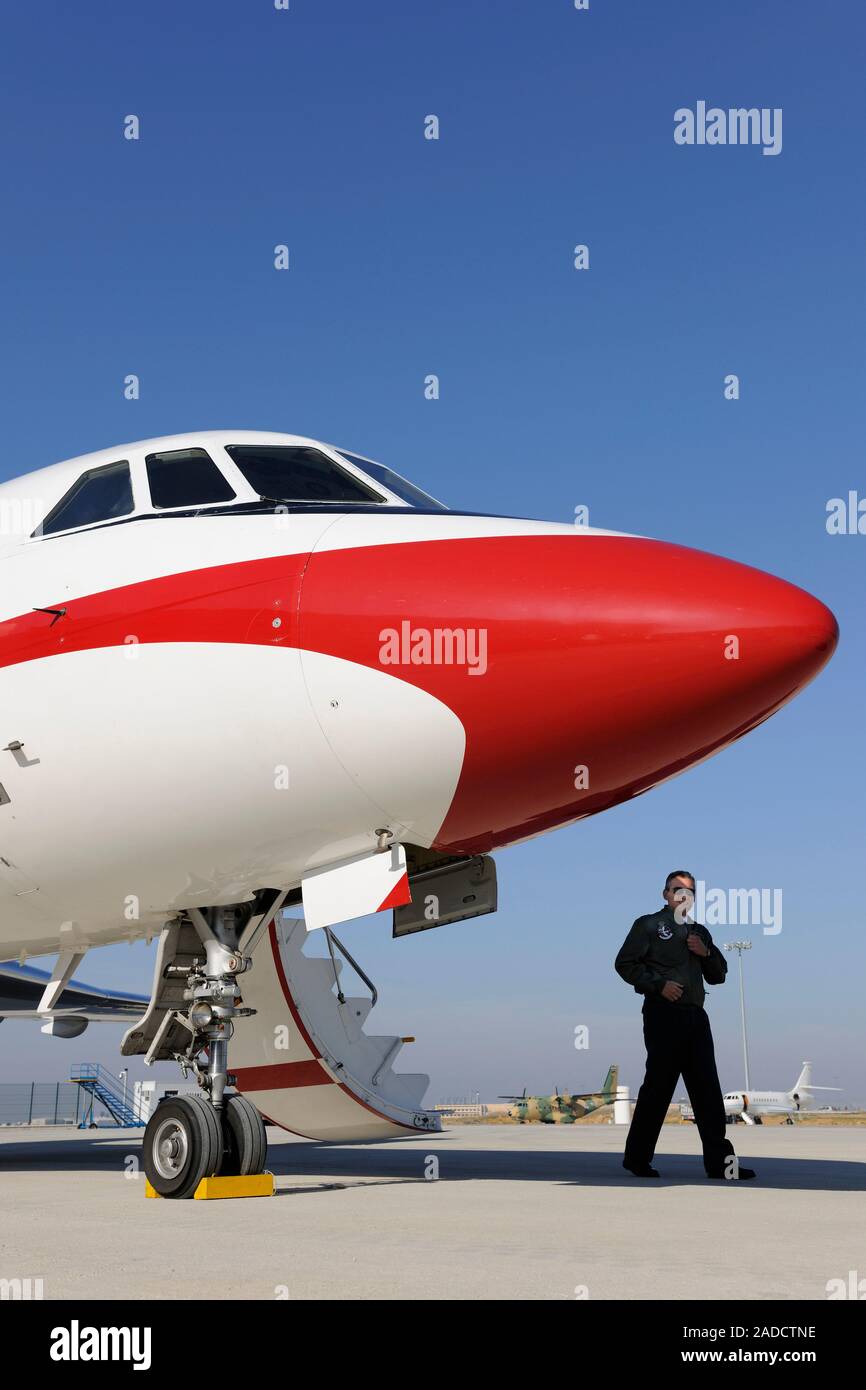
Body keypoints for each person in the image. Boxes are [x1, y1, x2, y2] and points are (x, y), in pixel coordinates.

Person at [615, 870, 756, 1181]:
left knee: (708, 1092)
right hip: (663, 1014)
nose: (683, 895)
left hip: (696, 1017)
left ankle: (722, 1165)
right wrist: (658, 985)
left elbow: (719, 975)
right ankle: (637, 1160)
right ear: (665, 894)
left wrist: (705, 953)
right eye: (677, 889)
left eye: (689, 891)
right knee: (658, 1090)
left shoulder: (700, 932)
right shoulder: (649, 925)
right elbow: (624, 963)